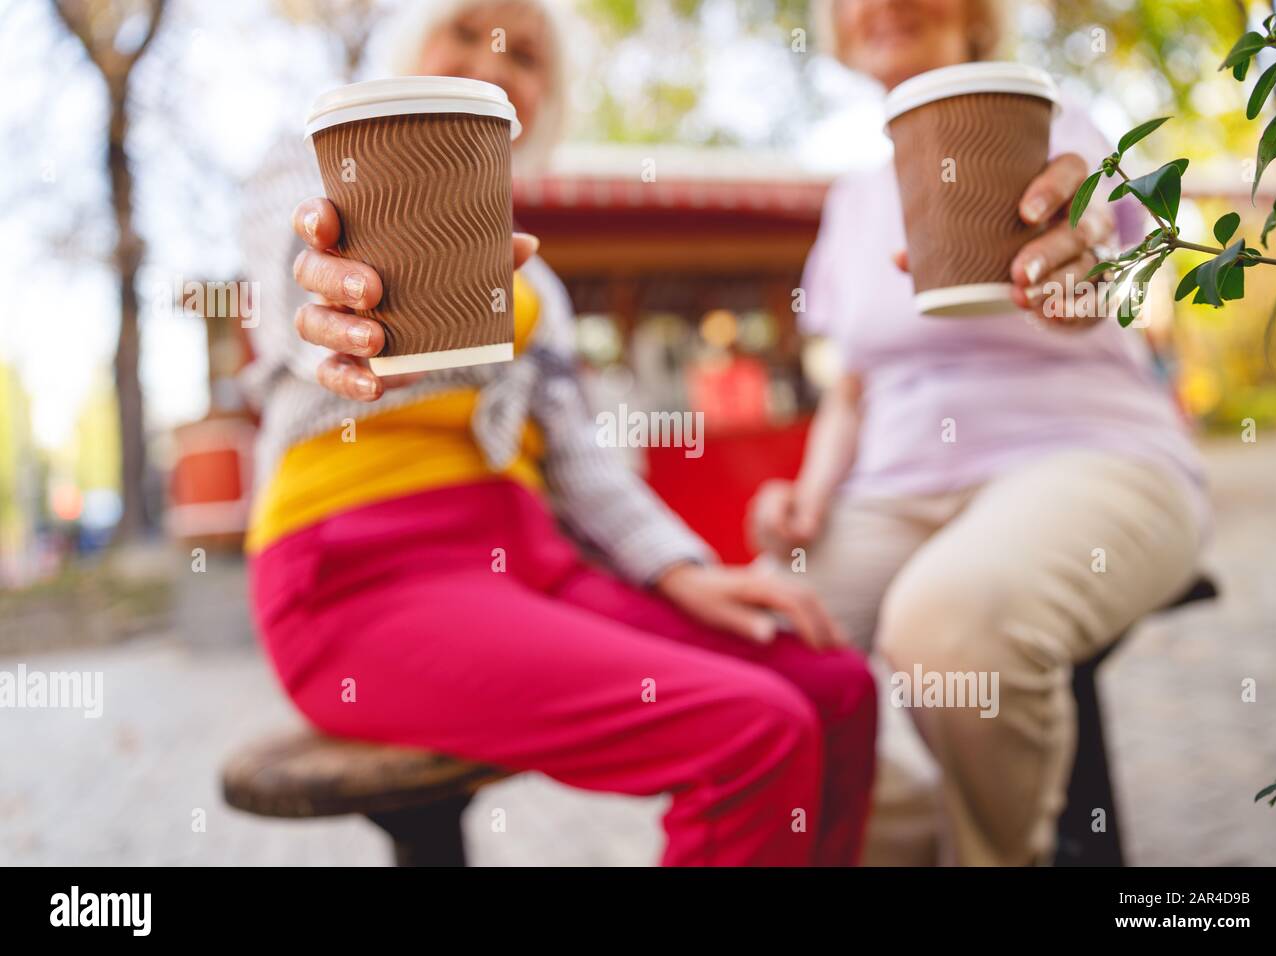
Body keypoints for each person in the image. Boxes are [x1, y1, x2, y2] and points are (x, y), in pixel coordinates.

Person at [241, 0, 876, 867]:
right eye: (466, 32)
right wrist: (345, 304)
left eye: (528, 57)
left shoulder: (537, 277)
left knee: (834, 687)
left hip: (532, 560)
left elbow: (582, 460)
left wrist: (684, 568)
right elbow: (292, 296)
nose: (497, 63)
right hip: (358, 570)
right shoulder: (317, 164)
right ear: (407, 50)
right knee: (750, 734)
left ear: (544, 100)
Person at [748, 0, 1207, 866]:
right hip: (893, 489)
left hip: (1090, 455)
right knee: (740, 651)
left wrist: (1076, 269)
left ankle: (999, 854)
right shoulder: (852, 199)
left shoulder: (1058, 129)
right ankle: (915, 837)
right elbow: (851, 389)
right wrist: (805, 503)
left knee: (949, 623)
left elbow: (1103, 250)